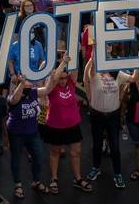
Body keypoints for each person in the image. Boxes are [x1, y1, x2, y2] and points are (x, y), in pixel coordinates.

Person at [37, 55, 91, 193]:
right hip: (56, 125)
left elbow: (75, 71)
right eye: (60, 78)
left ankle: (77, 179)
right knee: (55, 152)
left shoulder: (71, 83)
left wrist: (73, 53)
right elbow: (54, 79)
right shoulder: (51, 88)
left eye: (65, 78)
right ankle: (54, 179)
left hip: (72, 124)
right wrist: (62, 64)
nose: (63, 81)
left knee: (76, 152)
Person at [84, 42, 126, 187]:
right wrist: (96, 49)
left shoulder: (118, 67)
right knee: (97, 144)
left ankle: (118, 173)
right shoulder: (95, 68)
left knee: (114, 145)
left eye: (109, 45)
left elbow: (130, 80)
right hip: (97, 114)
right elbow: (88, 75)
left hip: (113, 115)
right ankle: (95, 168)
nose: (107, 48)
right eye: (105, 45)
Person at [6, 74, 49, 199]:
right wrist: (21, 83)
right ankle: (18, 185)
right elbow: (15, 100)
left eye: (30, 86)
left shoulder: (33, 93)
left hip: (33, 133)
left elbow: (47, 89)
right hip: (16, 134)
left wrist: (52, 77)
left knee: (39, 157)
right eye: (26, 86)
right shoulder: (11, 97)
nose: (28, 89)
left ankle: (36, 181)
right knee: (16, 158)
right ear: (18, 86)